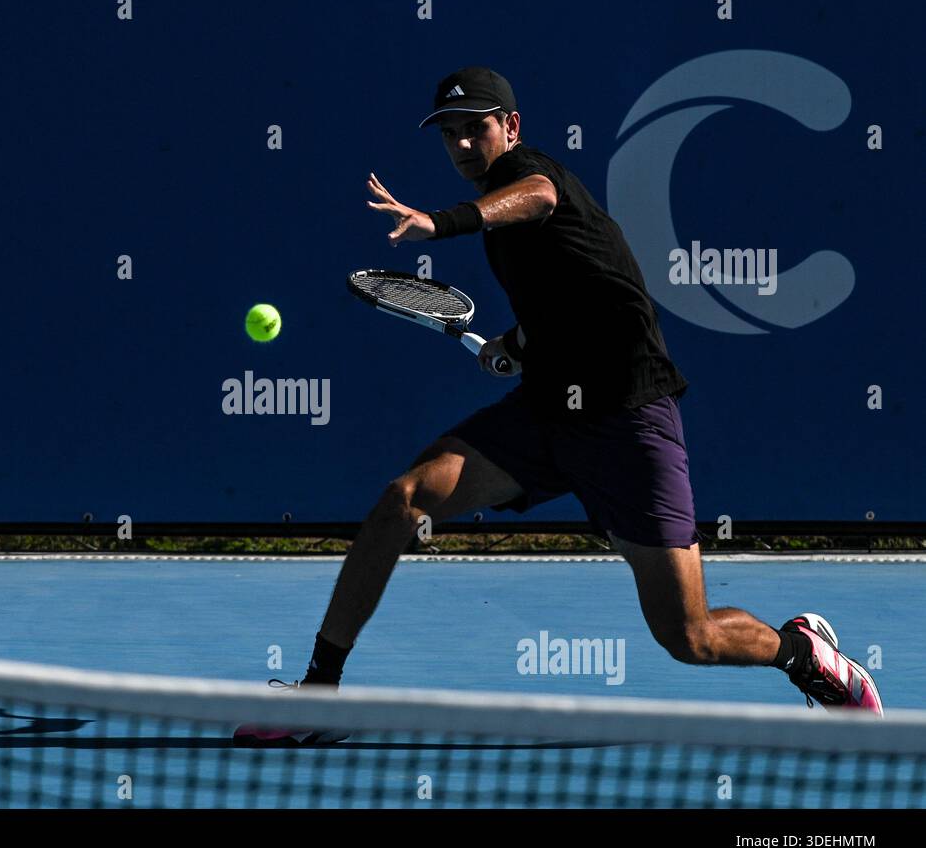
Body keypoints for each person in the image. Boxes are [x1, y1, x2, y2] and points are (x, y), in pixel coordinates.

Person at [234, 66, 881, 747]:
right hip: (547, 414)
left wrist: (442, 222)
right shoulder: (505, 227)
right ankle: (322, 694)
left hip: (630, 419)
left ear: (511, 127)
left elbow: (537, 196)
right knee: (403, 500)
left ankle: (804, 652)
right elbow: (572, 301)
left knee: (690, 635)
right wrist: (515, 343)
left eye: (475, 127)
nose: (461, 144)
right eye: (450, 133)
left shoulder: (534, 177)